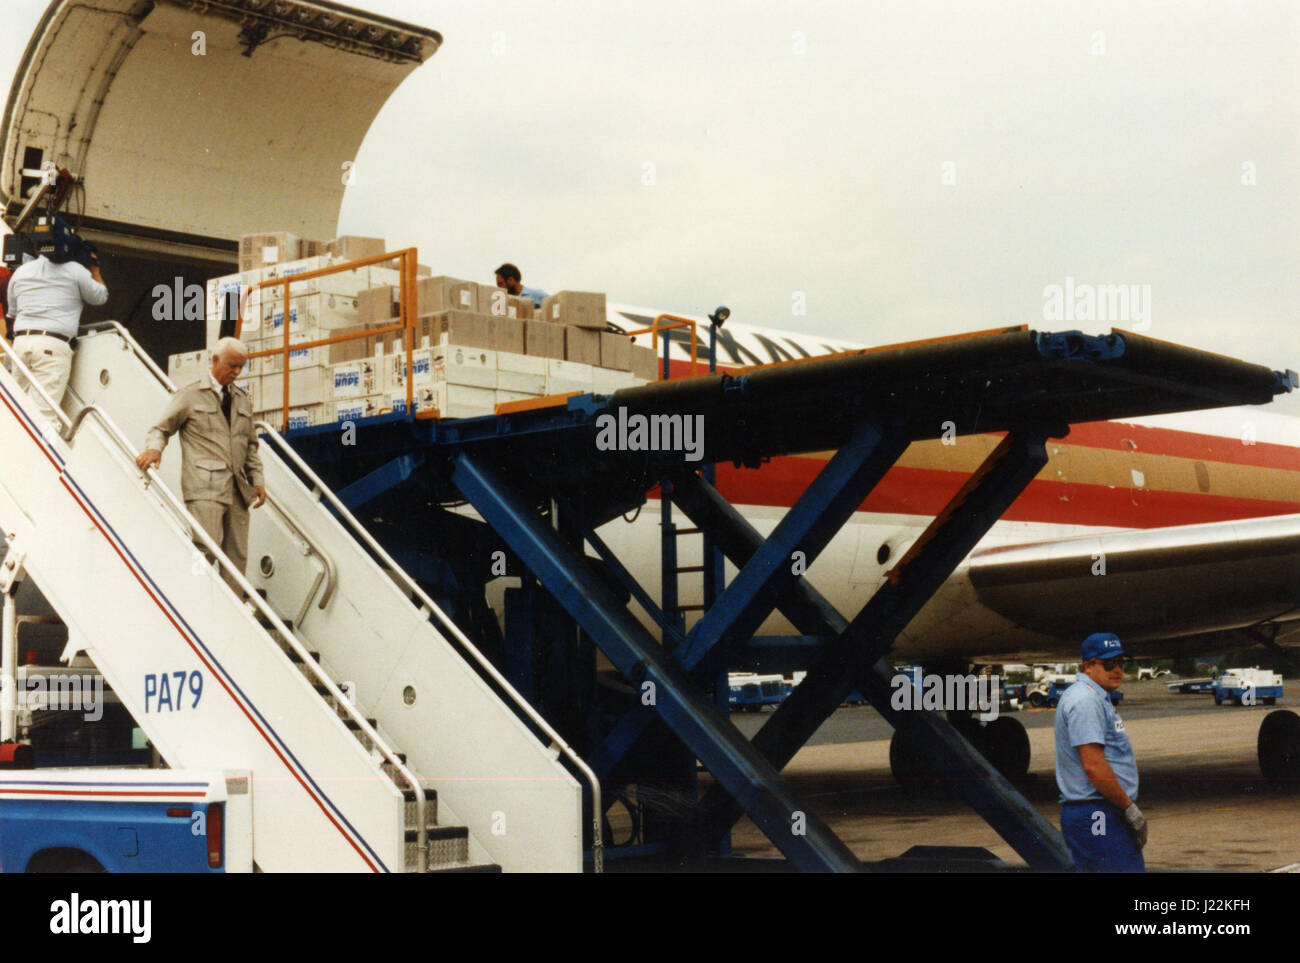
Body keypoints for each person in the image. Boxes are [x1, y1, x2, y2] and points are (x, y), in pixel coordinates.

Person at [135, 338, 266, 590]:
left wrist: (257, 480)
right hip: (205, 487)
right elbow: (161, 429)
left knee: (236, 558)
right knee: (205, 550)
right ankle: (196, 603)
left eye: (241, 367)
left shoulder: (242, 399)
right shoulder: (190, 395)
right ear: (215, 360)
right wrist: (154, 449)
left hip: (238, 491)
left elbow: (250, 445)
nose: (237, 372)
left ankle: (233, 613)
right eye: (232, 366)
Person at [1054, 632, 1146, 872]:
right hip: (1097, 812)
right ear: (1088, 665)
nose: (1116, 669)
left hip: (1102, 810)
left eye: (1120, 662)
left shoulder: (1095, 697)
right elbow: (1093, 765)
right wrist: (1128, 807)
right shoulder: (1086, 701)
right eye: (1108, 663)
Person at [6, 243, 107, 422]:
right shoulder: (76, 271)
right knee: (43, 417)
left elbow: (12, 311)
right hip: (52, 347)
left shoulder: (21, 271)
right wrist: (94, 268)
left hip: (21, 344)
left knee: (15, 410)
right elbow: (100, 296)